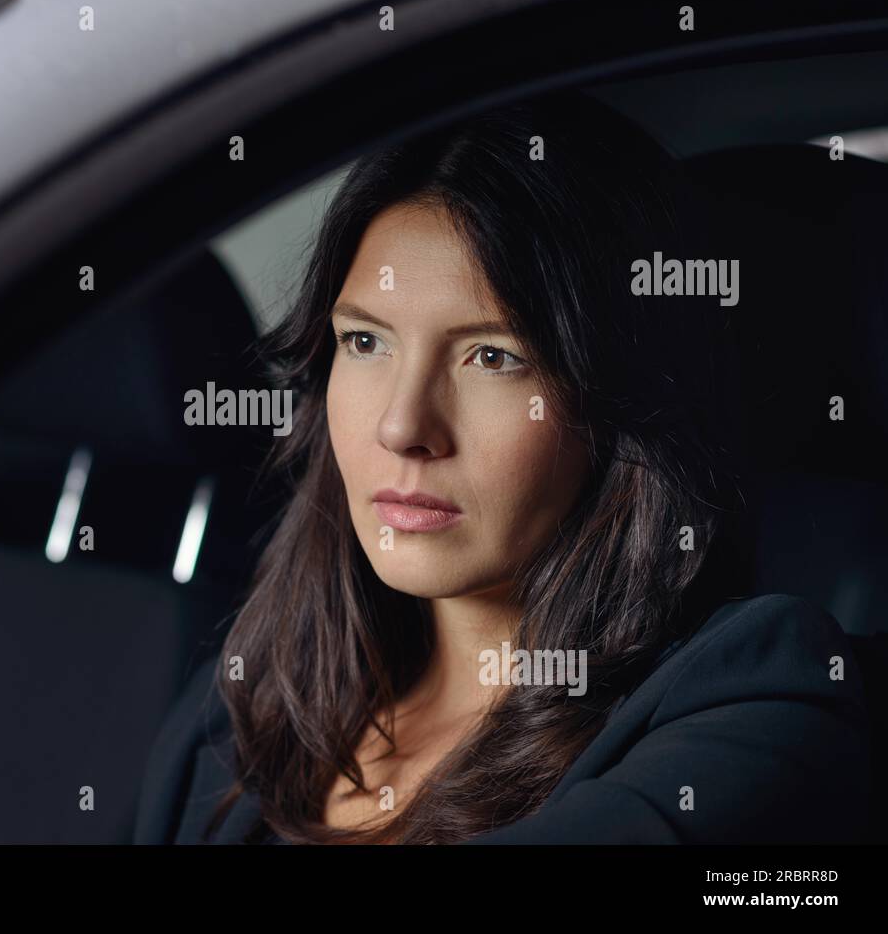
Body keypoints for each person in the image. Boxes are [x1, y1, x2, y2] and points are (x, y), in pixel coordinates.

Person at [131, 95, 873, 844]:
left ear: (618, 405)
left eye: (493, 357)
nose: (403, 425)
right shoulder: (252, 694)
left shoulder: (755, 696)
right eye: (365, 342)